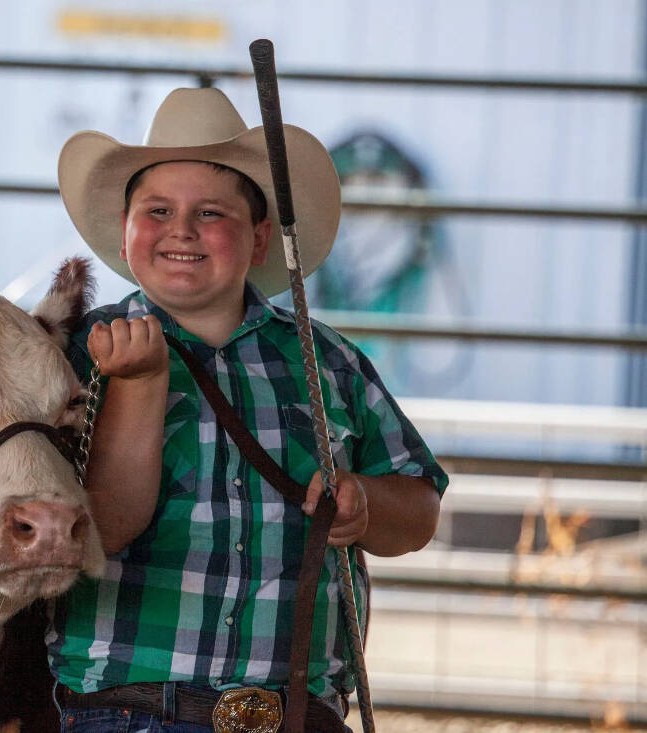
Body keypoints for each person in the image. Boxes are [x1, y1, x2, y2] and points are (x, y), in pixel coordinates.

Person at [47, 87, 448, 733]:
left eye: (210, 212)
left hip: (297, 713)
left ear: (260, 238)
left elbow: (419, 508)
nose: (180, 229)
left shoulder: (329, 363)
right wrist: (135, 385)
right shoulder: (72, 359)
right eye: (156, 210)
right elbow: (101, 528)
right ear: (124, 237)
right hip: (128, 710)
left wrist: (366, 502)